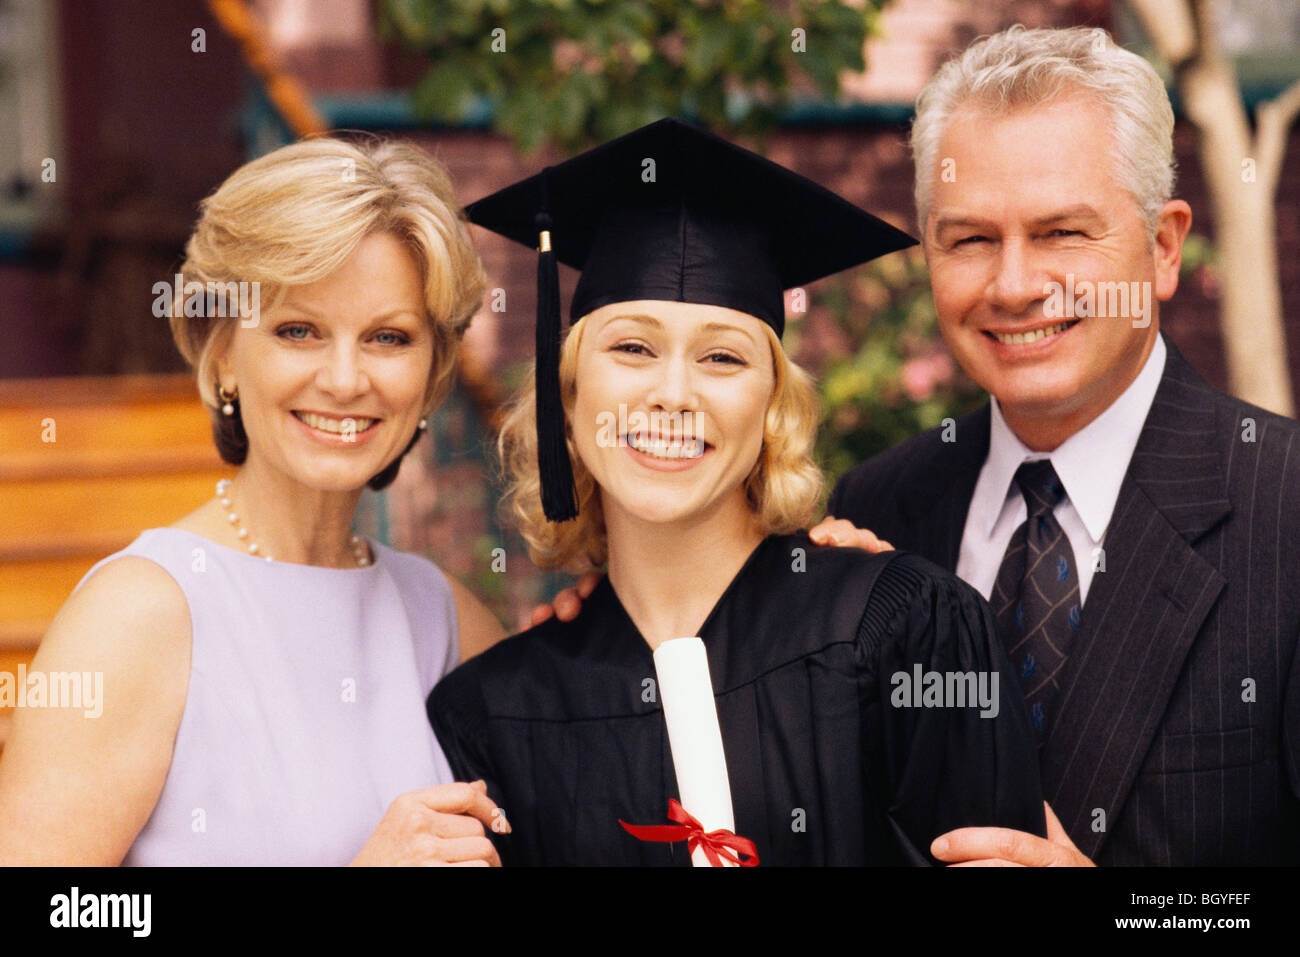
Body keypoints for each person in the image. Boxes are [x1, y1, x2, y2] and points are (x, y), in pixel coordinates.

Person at [427, 117, 1046, 866]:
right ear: (569, 387)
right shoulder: (494, 712)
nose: (673, 394)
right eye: (632, 347)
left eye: (723, 357)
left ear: (772, 408)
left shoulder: (906, 634)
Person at [819, 26, 1300, 866]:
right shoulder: (875, 511)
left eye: (1063, 234)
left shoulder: (1285, 508)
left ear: (1161, 247)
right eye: (970, 239)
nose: (1013, 286)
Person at [0, 137, 509, 865]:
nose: (343, 378)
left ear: (430, 377)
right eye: (298, 330)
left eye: (388, 337)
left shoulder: (446, 619)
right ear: (223, 355)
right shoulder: (139, 615)